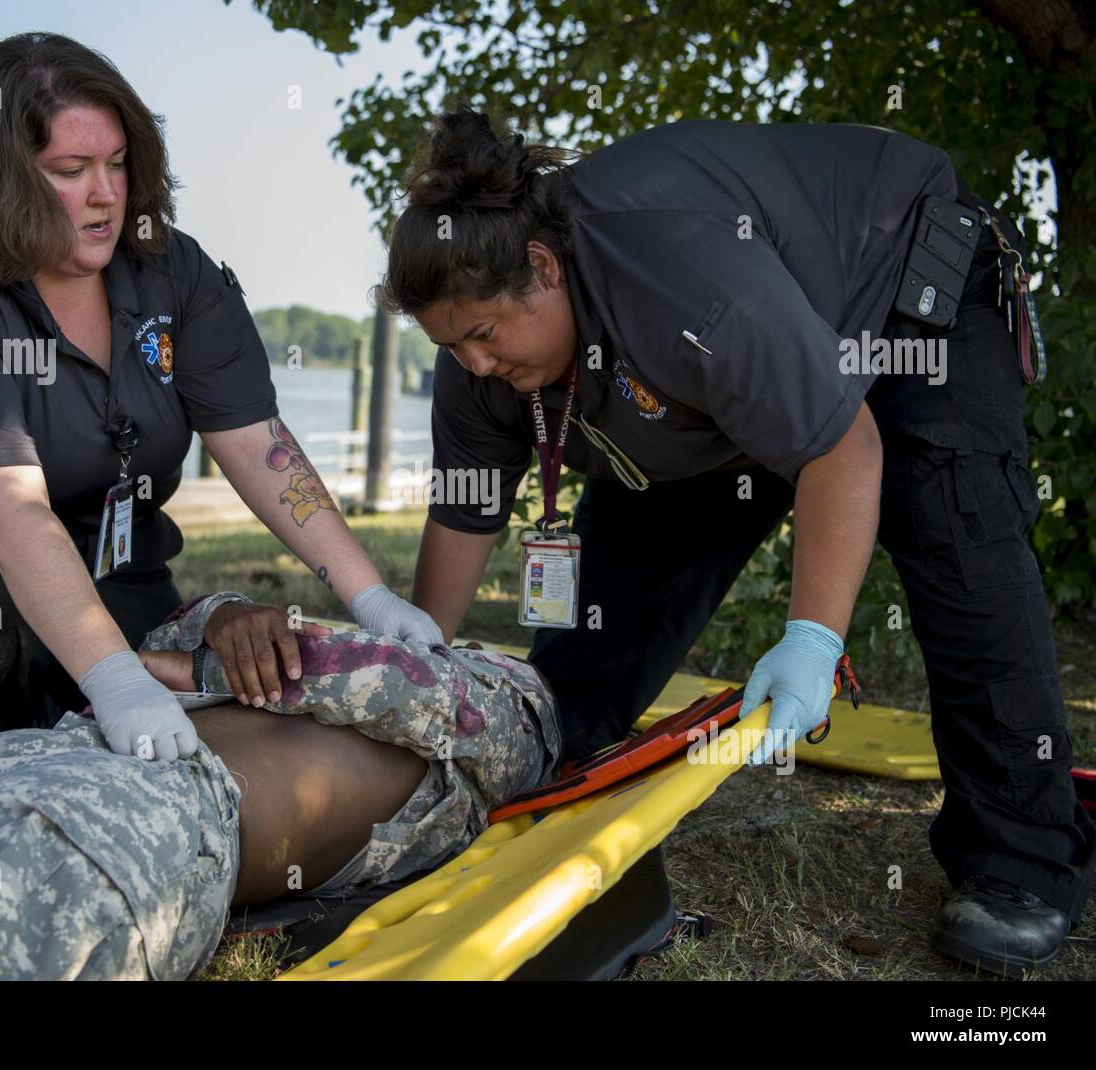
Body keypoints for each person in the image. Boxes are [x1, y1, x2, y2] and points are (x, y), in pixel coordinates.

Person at [393, 109, 1093, 976]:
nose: (474, 366)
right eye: (448, 345)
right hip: (724, 381)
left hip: (907, 287)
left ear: (541, 269)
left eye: (484, 337)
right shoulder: (481, 356)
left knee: (960, 542)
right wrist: (415, 665)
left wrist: (812, 640)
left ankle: (1020, 864)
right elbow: (465, 516)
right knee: (620, 594)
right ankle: (545, 761)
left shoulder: (675, 271)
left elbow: (843, 447)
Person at [0, 33, 439, 772]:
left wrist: (369, 595)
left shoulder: (170, 268)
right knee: (1, 651)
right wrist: (112, 679)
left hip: (101, 520)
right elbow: (7, 510)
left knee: (166, 675)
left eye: (116, 163)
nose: (107, 193)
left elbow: (255, 442)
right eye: (70, 171)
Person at [0, 592, 560, 980]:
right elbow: (161, 641)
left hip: (149, 818)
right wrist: (226, 616)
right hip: (32, 758)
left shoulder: (514, 710)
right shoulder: (332, 665)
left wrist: (208, 667)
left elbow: (417, 689)